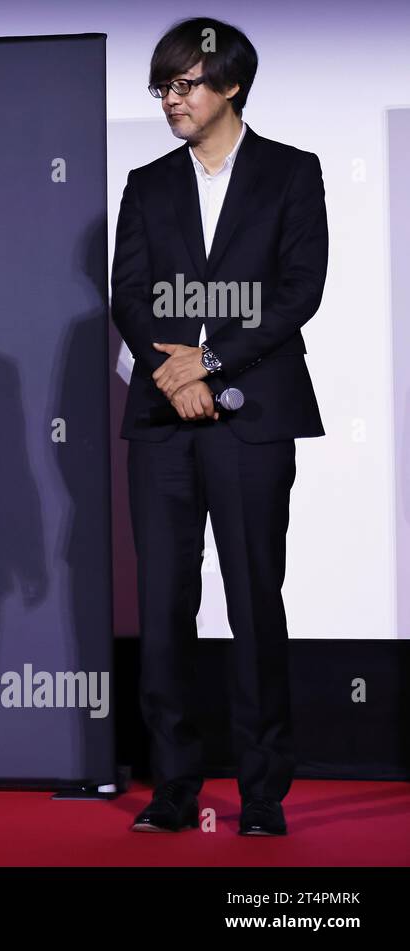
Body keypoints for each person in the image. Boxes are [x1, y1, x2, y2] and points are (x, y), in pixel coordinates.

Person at [111, 18, 327, 837]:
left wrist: (210, 360)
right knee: (164, 606)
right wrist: (172, 371)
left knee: (252, 600)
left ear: (230, 86)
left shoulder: (290, 173)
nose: (172, 99)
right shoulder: (147, 181)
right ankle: (173, 788)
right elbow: (128, 291)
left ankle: (263, 795)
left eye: (185, 84)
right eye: (163, 87)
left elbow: (300, 289)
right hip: (164, 421)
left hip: (253, 415)